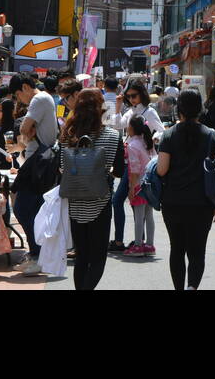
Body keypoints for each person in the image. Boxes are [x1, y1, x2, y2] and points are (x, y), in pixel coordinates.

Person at [156, 88, 215, 290]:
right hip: (202, 203)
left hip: (173, 202)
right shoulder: (212, 136)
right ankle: (192, 287)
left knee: (176, 249)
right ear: (200, 109)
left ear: (179, 109)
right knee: (197, 251)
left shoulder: (168, 135)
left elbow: (161, 170)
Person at [59, 89, 125, 290]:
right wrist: (103, 172)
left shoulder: (67, 136)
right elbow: (120, 171)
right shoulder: (113, 136)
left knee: (81, 257)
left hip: (75, 203)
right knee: (97, 258)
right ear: (101, 108)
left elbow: (61, 168)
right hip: (100, 201)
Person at [109, 77, 165, 252]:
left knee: (125, 202)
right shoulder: (131, 110)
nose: (132, 99)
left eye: (134, 95)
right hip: (131, 161)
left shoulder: (149, 112)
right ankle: (138, 241)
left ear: (141, 94)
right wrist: (118, 106)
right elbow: (116, 124)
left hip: (140, 165)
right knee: (136, 206)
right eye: (129, 96)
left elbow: (162, 131)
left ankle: (136, 243)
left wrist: (154, 138)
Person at [9, 74, 56, 275]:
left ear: (26, 87)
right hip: (36, 162)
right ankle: (38, 254)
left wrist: (27, 129)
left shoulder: (39, 99)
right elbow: (25, 133)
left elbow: (24, 128)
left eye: (19, 94)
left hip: (38, 164)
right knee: (34, 210)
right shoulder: (44, 99)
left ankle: (38, 255)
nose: (20, 100)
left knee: (22, 208)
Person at [124, 115, 157, 256]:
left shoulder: (132, 145)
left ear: (131, 128)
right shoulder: (146, 141)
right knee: (149, 215)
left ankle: (138, 245)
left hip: (138, 184)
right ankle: (150, 245)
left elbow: (135, 169)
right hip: (150, 182)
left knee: (138, 216)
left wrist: (131, 188)